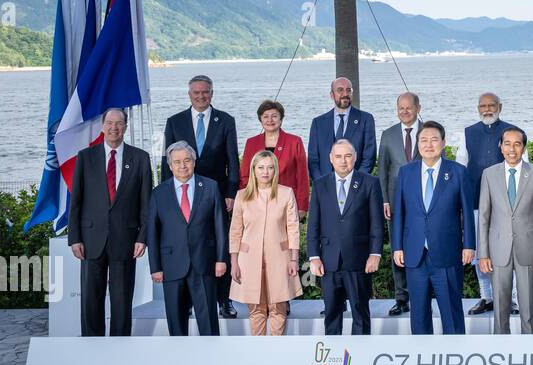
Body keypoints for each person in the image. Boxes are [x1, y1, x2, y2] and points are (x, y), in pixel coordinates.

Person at [66, 108, 151, 337]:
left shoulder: (140, 158)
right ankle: (92, 344)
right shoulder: (85, 157)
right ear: (102, 126)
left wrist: (142, 237)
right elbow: (76, 201)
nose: (114, 127)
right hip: (91, 239)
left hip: (126, 239)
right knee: (91, 298)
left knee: (122, 298)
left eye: (119, 123)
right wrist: (74, 238)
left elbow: (146, 203)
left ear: (126, 126)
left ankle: (120, 344)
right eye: (110, 123)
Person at [161, 74, 240, 319]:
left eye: (205, 92)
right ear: (189, 95)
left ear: (212, 93)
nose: (201, 96)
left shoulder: (225, 120)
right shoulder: (175, 122)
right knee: (188, 244)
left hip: (216, 195)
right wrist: (166, 197)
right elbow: (167, 164)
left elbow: (233, 161)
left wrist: (230, 193)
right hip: (184, 193)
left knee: (219, 245)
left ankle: (224, 300)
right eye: (196, 93)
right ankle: (189, 302)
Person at [392, 121, 475, 335]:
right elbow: (399, 213)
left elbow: (467, 211)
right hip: (415, 255)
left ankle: (455, 360)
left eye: (434, 139)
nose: (429, 144)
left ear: (444, 143)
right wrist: (397, 247)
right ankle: (423, 360)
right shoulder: (406, 173)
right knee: (418, 316)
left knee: (452, 314)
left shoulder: (457, 172)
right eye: (424, 140)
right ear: (418, 144)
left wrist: (469, 246)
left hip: (447, 254)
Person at [145, 141, 228, 337]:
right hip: (172, 265)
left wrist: (221, 259)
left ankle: (211, 359)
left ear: (194, 161)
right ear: (170, 165)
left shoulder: (210, 187)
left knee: (208, 322)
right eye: (177, 162)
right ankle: (180, 362)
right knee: (176, 323)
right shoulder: (159, 193)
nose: (183, 166)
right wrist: (155, 267)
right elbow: (152, 233)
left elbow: (220, 226)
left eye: (187, 160)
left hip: (204, 263)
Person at [477, 127, 533, 335]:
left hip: (528, 248)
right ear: (500, 147)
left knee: (528, 310)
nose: (512, 149)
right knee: (500, 311)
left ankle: (529, 351)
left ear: (523, 147)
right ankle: (502, 353)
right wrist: (483, 254)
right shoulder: (489, 175)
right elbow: (483, 217)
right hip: (498, 249)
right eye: (507, 143)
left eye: (517, 144)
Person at [307, 139, 384, 335]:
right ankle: (333, 358)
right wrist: (314, 256)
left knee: (360, 312)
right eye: (338, 156)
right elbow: (313, 224)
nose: (343, 161)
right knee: (332, 314)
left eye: (348, 156)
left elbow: (376, 223)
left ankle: (361, 355)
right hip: (329, 261)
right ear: (331, 159)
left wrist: (375, 254)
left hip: (358, 260)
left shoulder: (370, 183)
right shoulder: (320, 185)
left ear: (355, 157)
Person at [456, 92, 519, 317]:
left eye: (491, 105)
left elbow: (524, 168)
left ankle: (509, 299)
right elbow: (460, 168)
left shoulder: (513, 132)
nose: (487, 109)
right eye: (482, 106)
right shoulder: (467, 133)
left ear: (500, 106)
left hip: (506, 205)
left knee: (506, 252)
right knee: (479, 252)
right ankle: (487, 297)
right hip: (474, 202)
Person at [230, 150, 303, 336]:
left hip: (280, 258)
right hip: (248, 260)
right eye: (261, 167)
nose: (265, 172)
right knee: (256, 310)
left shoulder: (286, 194)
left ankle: (276, 351)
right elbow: (235, 231)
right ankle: (259, 352)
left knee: (278, 308)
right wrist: (234, 262)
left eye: (270, 167)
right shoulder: (242, 196)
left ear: (275, 170)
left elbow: (293, 228)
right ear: (253, 170)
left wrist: (294, 259)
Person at [377, 91, 423, 316]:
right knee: (399, 249)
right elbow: (383, 169)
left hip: (425, 203)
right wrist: (385, 199)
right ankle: (401, 298)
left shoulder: (429, 132)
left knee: (424, 247)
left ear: (418, 108)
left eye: (409, 107)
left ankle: (422, 295)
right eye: (401, 108)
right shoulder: (388, 135)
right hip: (396, 203)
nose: (405, 111)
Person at [240, 100, 310, 217]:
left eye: (274, 116)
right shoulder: (251, 143)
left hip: (287, 204)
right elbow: (245, 175)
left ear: (281, 119)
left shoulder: (294, 141)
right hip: (257, 204)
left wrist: (302, 206)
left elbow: (302, 177)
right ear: (260, 119)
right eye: (265, 116)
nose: (270, 120)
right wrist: (247, 200)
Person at [307, 77, 377, 181]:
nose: (345, 94)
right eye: (340, 90)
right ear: (332, 95)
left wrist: (357, 182)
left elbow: (369, 156)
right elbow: (313, 159)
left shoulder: (366, 119)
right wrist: (322, 184)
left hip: (356, 186)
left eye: (348, 90)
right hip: (326, 187)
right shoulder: (318, 123)